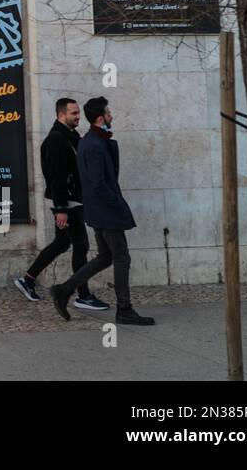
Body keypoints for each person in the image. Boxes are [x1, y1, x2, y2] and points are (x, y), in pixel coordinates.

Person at [51, 98, 155, 326]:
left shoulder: (92, 141)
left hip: (99, 210)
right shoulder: (95, 144)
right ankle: (124, 309)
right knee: (121, 257)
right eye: (109, 113)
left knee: (106, 256)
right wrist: (116, 203)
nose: (111, 116)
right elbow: (98, 184)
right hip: (106, 211)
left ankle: (65, 289)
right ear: (101, 117)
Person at [14, 98, 109, 311]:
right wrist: (61, 209)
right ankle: (82, 295)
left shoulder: (70, 136)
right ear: (61, 115)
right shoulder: (57, 140)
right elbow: (56, 178)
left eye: (77, 113)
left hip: (72, 199)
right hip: (68, 201)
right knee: (81, 245)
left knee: (62, 243)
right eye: (73, 113)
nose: (78, 116)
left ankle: (28, 280)